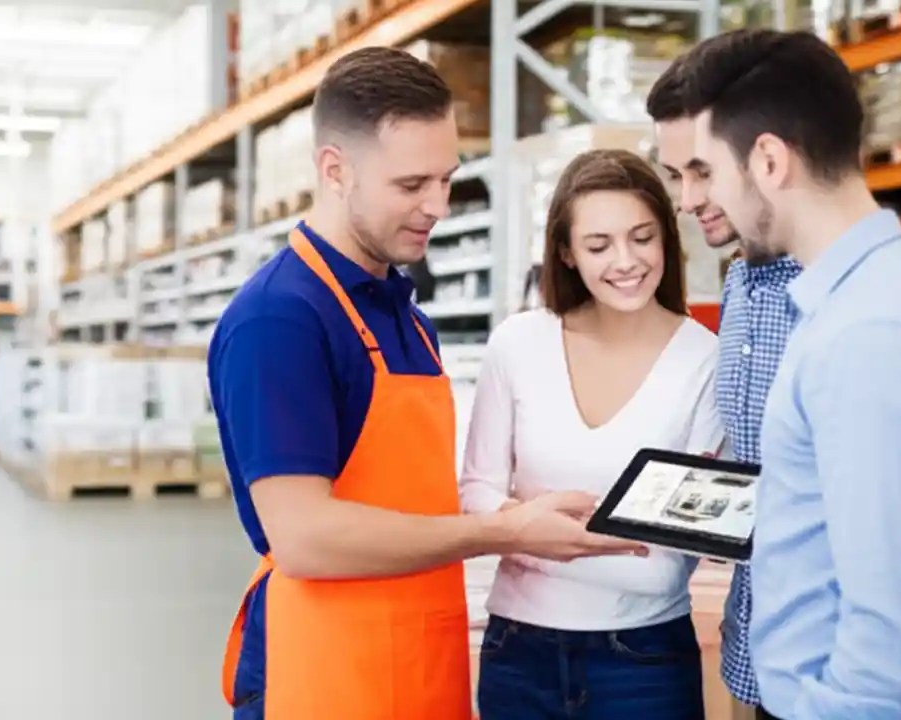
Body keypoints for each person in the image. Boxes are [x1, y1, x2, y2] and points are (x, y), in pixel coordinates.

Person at [208, 47, 646, 720]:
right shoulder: (281, 319)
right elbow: (306, 537)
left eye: (446, 179)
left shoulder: (402, 313)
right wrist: (501, 535)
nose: (437, 206)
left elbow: (412, 497)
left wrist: (517, 514)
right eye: (412, 185)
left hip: (418, 666)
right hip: (327, 675)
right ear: (335, 170)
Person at [682, 29, 901, 719]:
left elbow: (890, 634)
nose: (702, 201)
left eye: (709, 170)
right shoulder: (865, 298)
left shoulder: (867, 334)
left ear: (766, 160)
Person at [459, 148, 724, 720]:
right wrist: (537, 530)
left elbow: (665, 565)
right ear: (566, 253)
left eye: (642, 237)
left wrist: (526, 534)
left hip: (644, 662)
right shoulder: (519, 343)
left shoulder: (704, 359)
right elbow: (474, 493)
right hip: (518, 654)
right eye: (599, 246)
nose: (625, 262)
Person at [646, 57, 801, 720]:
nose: (684, 200)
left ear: (767, 155)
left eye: (700, 171)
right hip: (757, 655)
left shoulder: (877, 301)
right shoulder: (741, 283)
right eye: (675, 175)